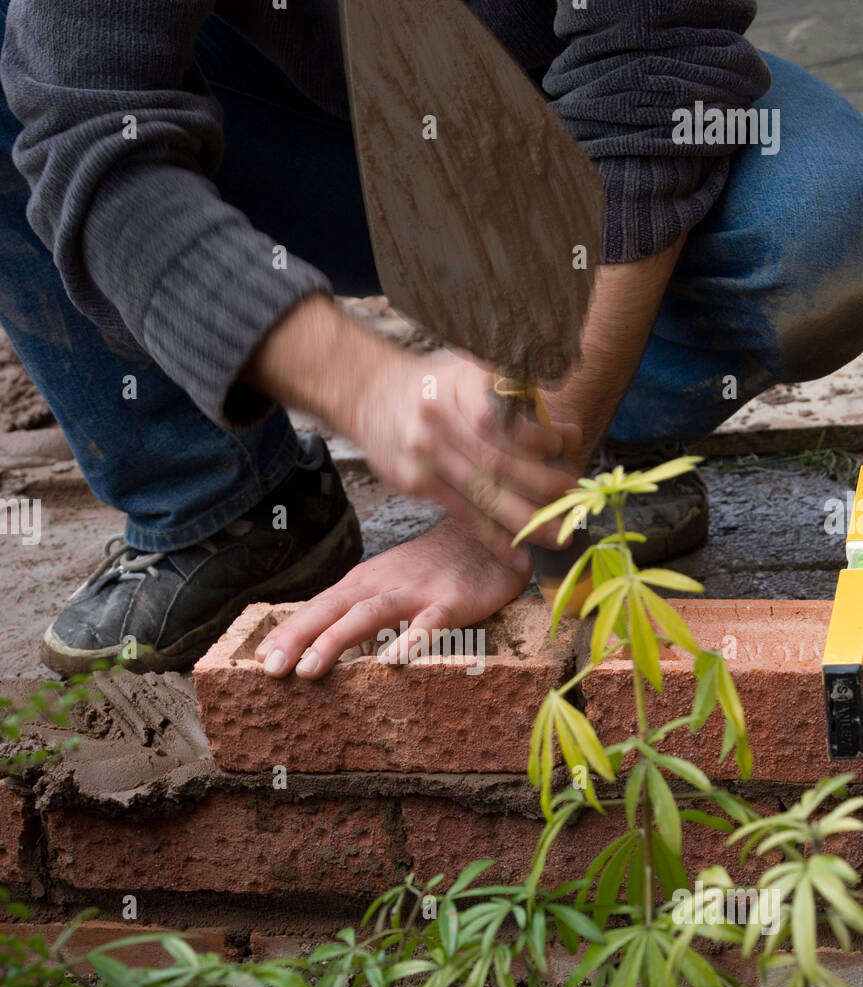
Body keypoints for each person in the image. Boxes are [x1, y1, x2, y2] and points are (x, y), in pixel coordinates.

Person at [1, 2, 861, 680]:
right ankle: (217, 506)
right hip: (268, 134)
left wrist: (497, 521)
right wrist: (347, 376)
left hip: (540, 131)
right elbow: (87, 118)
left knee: (822, 218)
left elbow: (650, 73)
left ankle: (569, 452)